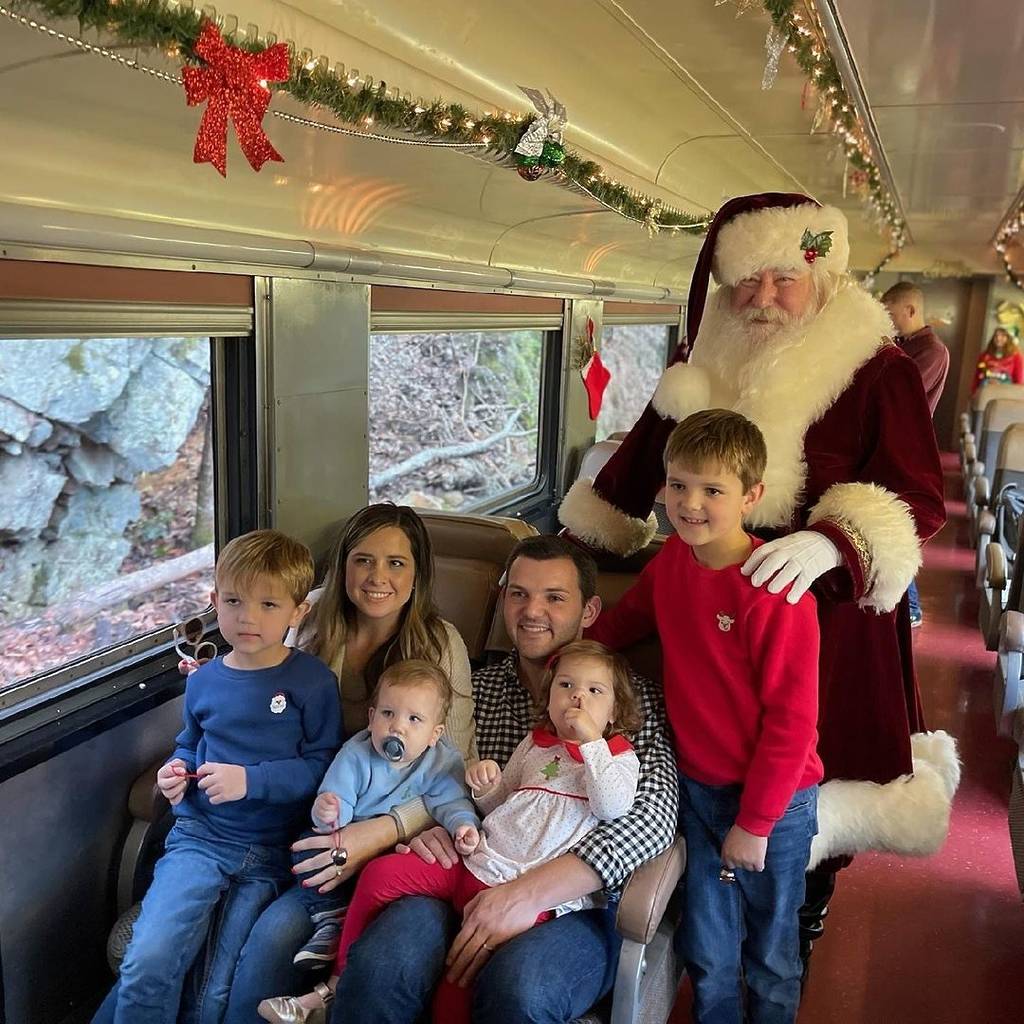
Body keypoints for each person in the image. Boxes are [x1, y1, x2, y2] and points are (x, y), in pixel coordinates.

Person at [558, 193, 955, 973]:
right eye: (746, 281)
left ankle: (803, 916)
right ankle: (711, 937)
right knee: (712, 777)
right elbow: (643, 461)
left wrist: (835, 542)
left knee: (814, 776)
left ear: (823, 275)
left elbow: (919, 498)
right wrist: (570, 549)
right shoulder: (703, 361)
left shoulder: (878, 371)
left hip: (827, 608)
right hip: (709, 596)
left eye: (783, 277)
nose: (762, 297)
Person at [332, 535, 679, 1024]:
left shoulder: (630, 699)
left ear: (589, 610)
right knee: (383, 965)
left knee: (519, 989)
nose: (532, 611)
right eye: (518, 594)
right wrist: (429, 822)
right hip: (472, 864)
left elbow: (651, 821)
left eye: (554, 598)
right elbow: (437, 774)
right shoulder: (478, 685)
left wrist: (527, 895)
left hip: (573, 905)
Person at [159, 503, 475, 1024]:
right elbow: (259, 707)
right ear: (342, 566)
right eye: (363, 560)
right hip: (299, 818)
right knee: (246, 941)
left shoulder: (441, 645)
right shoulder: (307, 621)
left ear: (418, 573)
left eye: (396, 563)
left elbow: (451, 769)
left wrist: (374, 835)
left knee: (273, 939)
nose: (377, 577)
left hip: (387, 836)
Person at [589, 410, 822, 1023]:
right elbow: (625, 622)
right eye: (678, 485)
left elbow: (792, 725)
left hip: (773, 802)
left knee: (769, 952)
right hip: (696, 791)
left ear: (752, 497)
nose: (690, 504)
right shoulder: (671, 562)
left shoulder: (776, 592)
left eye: (713, 490)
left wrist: (757, 822)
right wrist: (572, 649)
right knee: (708, 951)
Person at [319, 639, 640, 1024]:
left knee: (459, 983)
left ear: (614, 710)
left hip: (522, 887)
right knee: (380, 874)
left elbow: (612, 806)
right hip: (476, 859)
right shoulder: (535, 745)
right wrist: (484, 785)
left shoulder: (619, 757)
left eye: (594, 691)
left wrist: (592, 744)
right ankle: (338, 976)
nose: (577, 699)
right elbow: (498, 804)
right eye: (566, 686)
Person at [93, 530, 341, 1024]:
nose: (248, 616)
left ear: (298, 613)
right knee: (149, 960)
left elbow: (321, 768)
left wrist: (250, 781)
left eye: (269, 604)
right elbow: (190, 742)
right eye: (234, 601)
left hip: (272, 853)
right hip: (200, 839)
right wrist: (175, 771)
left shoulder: (312, 682)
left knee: (214, 996)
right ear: (214, 602)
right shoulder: (204, 680)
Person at [258, 661, 480, 1023]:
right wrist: (329, 811)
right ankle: (327, 912)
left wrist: (463, 825)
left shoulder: (442, 762)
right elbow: (336, 795)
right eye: (389, 714)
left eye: (413, 720)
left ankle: (335, 931)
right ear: (372, 716)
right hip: (346, 838)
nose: (397, 727)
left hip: (397, 851)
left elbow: (451, 802)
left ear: (435, 733)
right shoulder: (358, 753)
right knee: (308, 845)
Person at [882, 281, 950, 627]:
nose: (887, 320)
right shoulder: (902, 346)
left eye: (891, 313)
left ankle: (910, 605)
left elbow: (899, 394)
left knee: (899, 525)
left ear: (910, 310)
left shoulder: (931, 351)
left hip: (907, 448)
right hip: (892, 442)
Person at [972, 326, 1024, 392]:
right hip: (985, 392)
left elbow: (1019, 380)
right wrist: (973, 393)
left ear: (1009, 338)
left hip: (1004, 393)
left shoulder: (1016, 357)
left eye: (1002, 336)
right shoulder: (984, 355)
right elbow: (977, 377)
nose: (998, 338)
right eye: (996, 336)